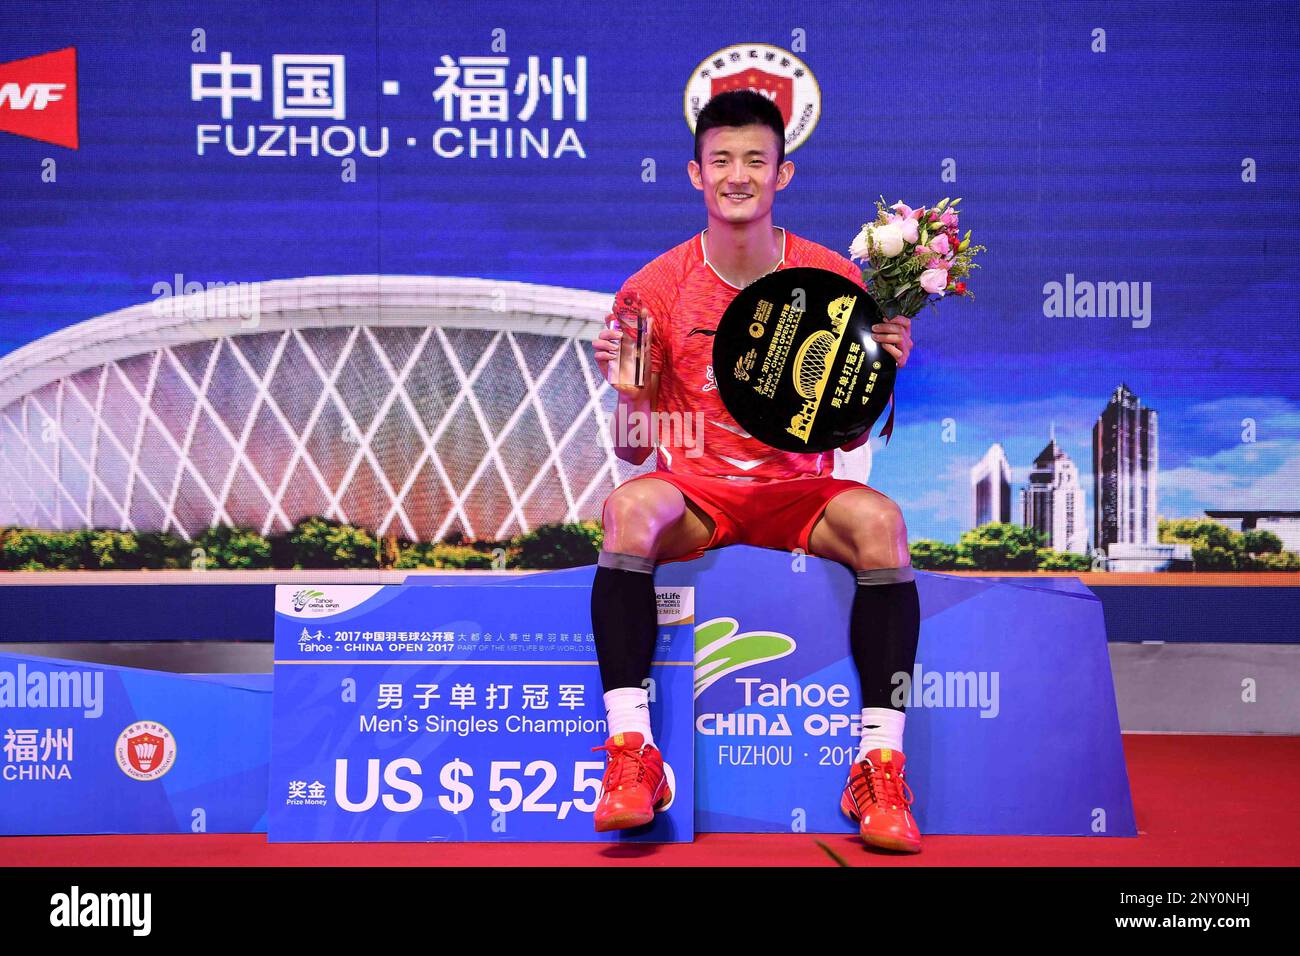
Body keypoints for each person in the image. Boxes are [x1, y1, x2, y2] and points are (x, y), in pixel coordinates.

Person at [588, 90, 921, 852]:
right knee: (626, 509)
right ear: (695, 174)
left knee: (883, 522)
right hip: (697, 493)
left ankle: (878, 766)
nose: (737, 175)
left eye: (754, 161)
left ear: (782, 174)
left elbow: (848, 426)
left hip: (800, 491)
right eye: (721, 161)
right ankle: (634, 757)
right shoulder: (653, 290)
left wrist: (884, 370)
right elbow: (634, 449)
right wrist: (630, 394)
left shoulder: (831, 276)